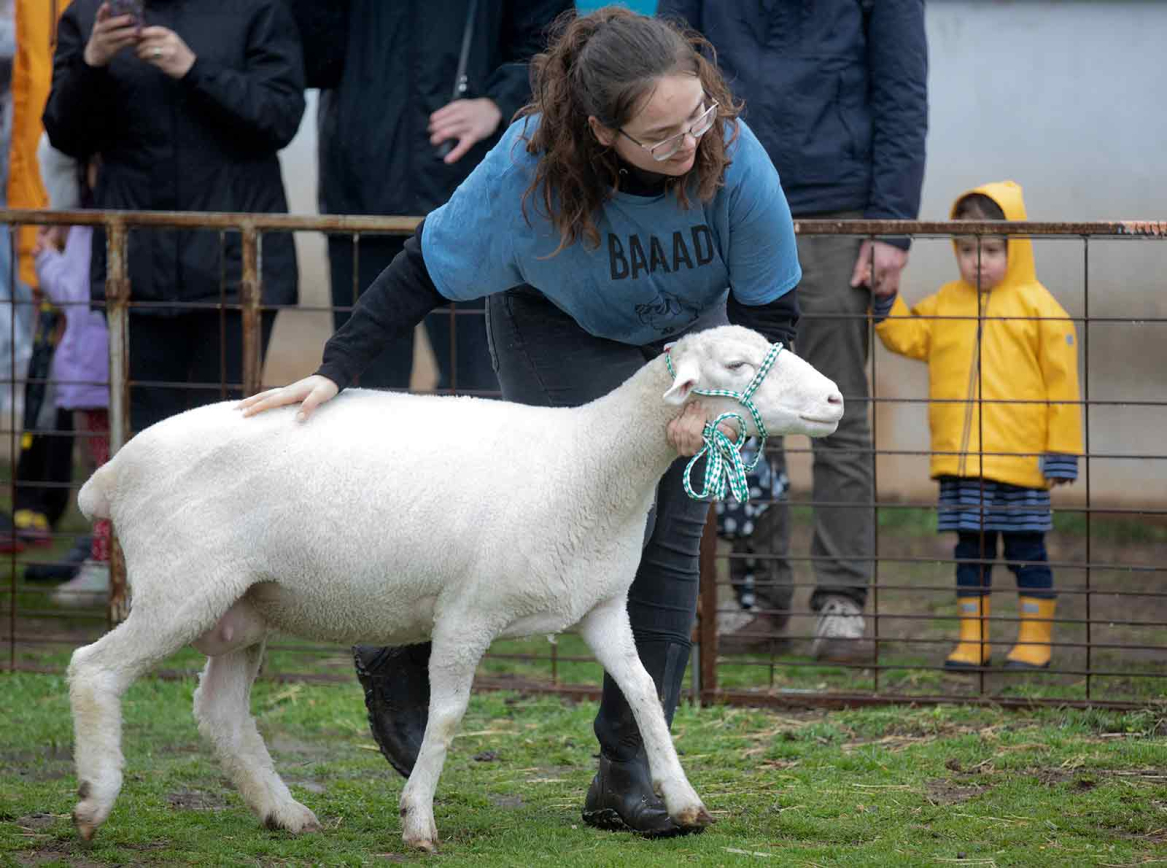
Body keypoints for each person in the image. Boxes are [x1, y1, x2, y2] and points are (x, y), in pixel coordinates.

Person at [241, 8, 802, 837]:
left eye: (699, 115)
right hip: (558, 326)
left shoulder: (732, 157)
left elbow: (771, 312)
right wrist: (334, 369)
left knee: (670, 536)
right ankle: (398, 650)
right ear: (602, 132)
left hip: (688, 343)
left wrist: (722, 406)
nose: (688, 143)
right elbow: (420, 270)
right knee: (535, 518)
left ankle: (628, 769)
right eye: (659, 134)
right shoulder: (527, 166)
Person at [657, 0, 928, 660]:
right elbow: (667, 62)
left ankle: (840, 601)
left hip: (833, 209)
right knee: (737, 408)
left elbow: (901, 90)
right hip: (721, 196)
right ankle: (758, 598)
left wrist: (890, 225)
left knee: (837, 411)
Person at [42, 0, 304, 435]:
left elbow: (279, 116)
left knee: (223, 434)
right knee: (147, 437)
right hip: (133, 267)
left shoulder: (258, 8)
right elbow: (65, 136)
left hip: (236, 267)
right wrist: (92, 64)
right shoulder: (88, 15)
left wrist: (194, 69)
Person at [308, 0, 570, 393]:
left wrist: (499, 103)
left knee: (484, 387)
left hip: (476, 201)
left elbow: (555, 48)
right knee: (366, 391)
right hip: (364, 193)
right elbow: (312, 57)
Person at [872, 181, 1082, 671]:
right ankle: (975, 638)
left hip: (1023, 462)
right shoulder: (947, 301)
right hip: (962, 463)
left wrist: (1062, 450)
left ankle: (1034, 639)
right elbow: (908, 337)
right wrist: (885, 301)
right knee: (972, 553)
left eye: (991, 250)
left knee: (1027, 550)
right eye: (967, 250)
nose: (978, 261)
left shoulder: (1041, 309)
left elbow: (1063, 387)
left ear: (1016, 247)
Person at [27, 136, 113, 607]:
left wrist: (43, 258)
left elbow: (73, 289)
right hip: (99, 371)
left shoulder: (86, 228)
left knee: (103, 472)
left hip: (91, 374)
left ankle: (103, 563)